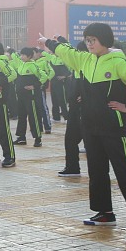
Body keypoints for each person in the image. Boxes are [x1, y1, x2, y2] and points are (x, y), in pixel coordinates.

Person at [42, 26, 126, 240]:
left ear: (105, 40)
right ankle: (105, 213)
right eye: (87, 40)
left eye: (93, 40)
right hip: (90, 127)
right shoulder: (85, 59)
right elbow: (66, 52)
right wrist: (47, 42)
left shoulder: (119, 62)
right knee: (97, 171)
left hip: (113, 128)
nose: (89, 44)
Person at [57, 43, 87, 177]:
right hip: (74, 109)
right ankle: (72, 167)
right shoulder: (76, 67)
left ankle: (99, 171)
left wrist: (87, 96)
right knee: (70, 139)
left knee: (92, 141)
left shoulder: (90, 66)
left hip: (87, 110)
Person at [13, 47, 52, 147]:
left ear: (29, 56)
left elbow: (44, 76)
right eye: (21, 55)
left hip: (31, 97)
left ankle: (37, 138)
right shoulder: (21, 64)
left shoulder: (33, 66)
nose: (21, 57)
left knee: (33, 116)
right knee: (21, 116)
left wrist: (35, 86)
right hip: (21, 96)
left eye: (23, 55)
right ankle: (21, 137)